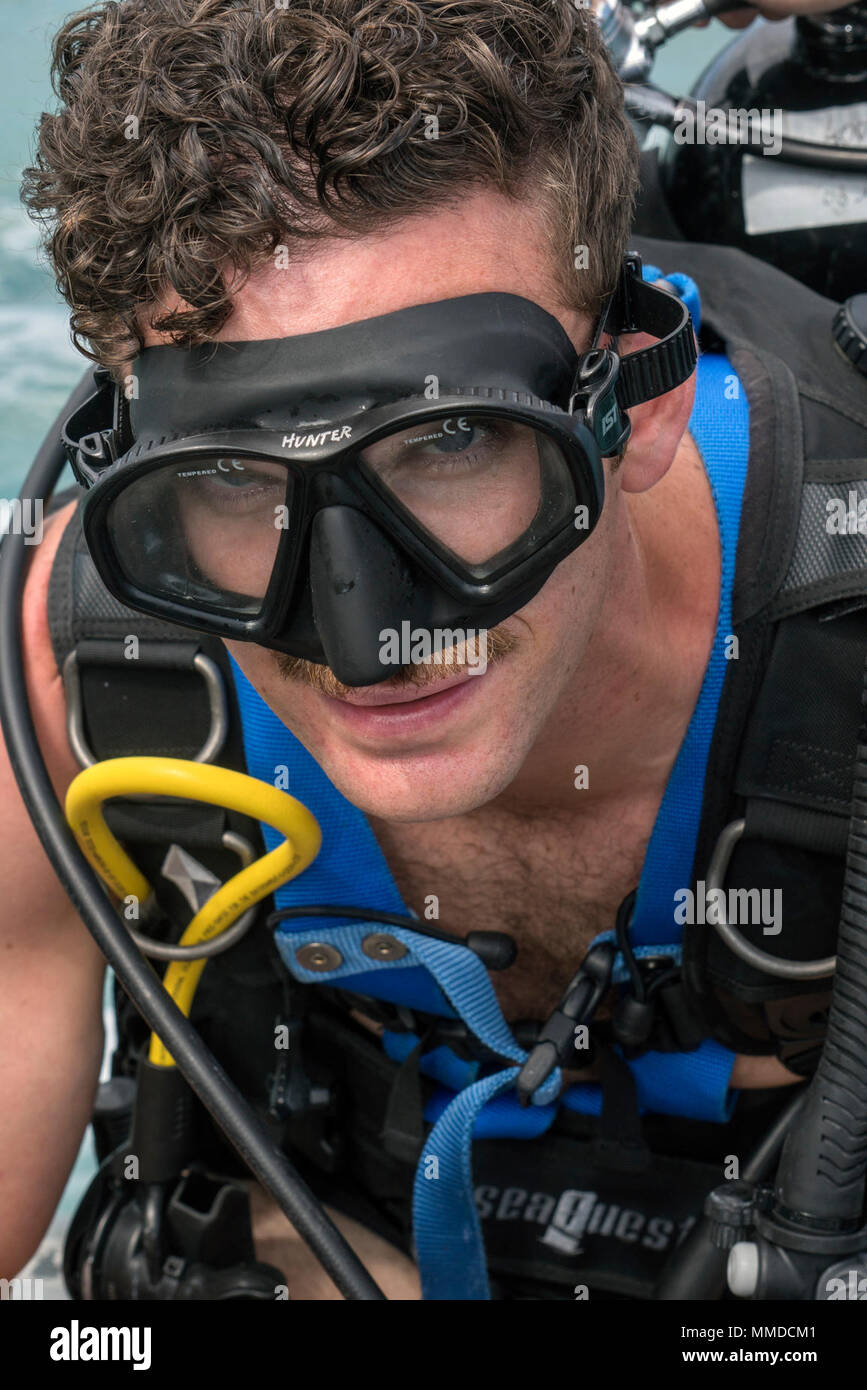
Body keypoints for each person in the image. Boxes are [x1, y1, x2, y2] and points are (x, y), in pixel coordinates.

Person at [3, 0, 865, 1301]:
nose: (368, 641)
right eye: (235, 478)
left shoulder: (836, 624)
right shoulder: (98, 668)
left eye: (452, 442)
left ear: (644, 387)